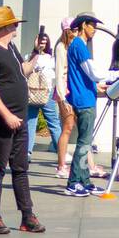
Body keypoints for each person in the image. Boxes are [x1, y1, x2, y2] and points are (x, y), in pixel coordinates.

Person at [0, 5, 44, 234]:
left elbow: (23, 71)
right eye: (14, 23)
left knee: (20, 167)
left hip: (21, 119)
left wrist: (36, 53)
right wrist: (6, 115)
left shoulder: (11, 48)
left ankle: (27, 216)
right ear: (4, 27)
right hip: (1, 120)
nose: (16, 26)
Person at [66, 14, 119, 196]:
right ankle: (74, 182)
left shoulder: (78, 45)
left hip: (85, 96)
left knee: (86, 142)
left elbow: (88, 76)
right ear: (83, 26)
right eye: (92, 26)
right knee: (84, 143)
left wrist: (96, 85)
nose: (95, 30)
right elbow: (95, 73)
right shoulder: (80, 46)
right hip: (84, 100)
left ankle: (84, 181)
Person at [26, 31, 63, 156]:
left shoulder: (51, 59)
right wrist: (36, 50)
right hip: (32, 92)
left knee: (53, 123)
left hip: (47, 91)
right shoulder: (30, 56)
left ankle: (60, 151)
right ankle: (27, 152)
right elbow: (26, 69)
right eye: (40, 40)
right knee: (31, 122)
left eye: (44, 41)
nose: (42, 43)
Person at [53, 18, 76, 178]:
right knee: (67, 127)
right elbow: (59, 72)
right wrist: (63, 97)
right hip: (65, 91)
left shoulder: (74, 45)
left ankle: (90, 164)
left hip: (74, 89)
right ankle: (61, 166)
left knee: (80, 128)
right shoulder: (61, 47)